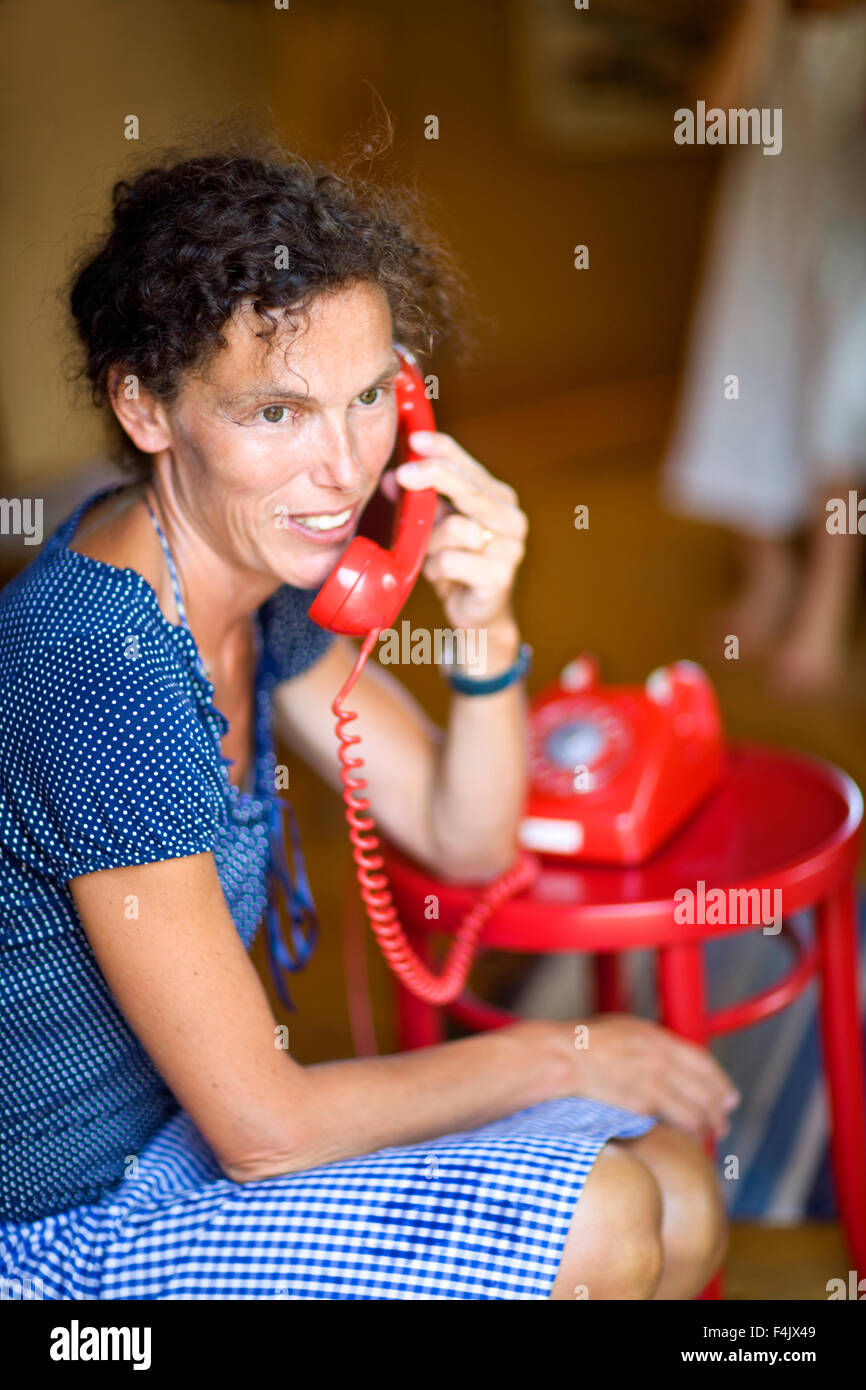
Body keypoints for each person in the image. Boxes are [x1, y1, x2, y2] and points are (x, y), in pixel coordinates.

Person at [0, 140, 734, 1300]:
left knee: (677, 1183)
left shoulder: (247, 584)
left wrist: (484, 627)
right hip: (61, 1235)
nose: (343, 472)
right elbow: (267, 1129)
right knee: (603, 1218)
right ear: (145, 404)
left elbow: (464, 834)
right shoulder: (96, 669)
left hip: (180, 1149)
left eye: (365, 401)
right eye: (276, 411)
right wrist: (564, 1051)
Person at [662, 0, 866, 694]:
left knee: (839, 413)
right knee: (744, 389)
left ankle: (825, 611)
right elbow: (712, 116)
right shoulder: (772, 16)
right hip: (766, 229)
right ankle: (770, 576)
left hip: (852, 235)